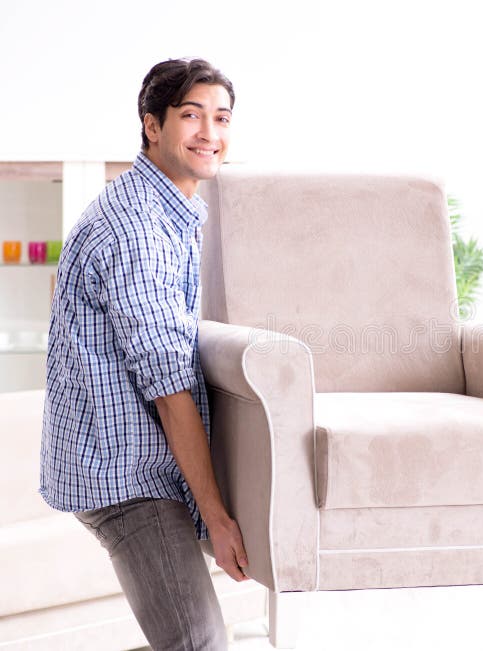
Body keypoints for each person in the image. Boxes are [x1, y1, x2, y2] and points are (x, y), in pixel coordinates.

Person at [40, 58, 247, 650]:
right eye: (191, 115)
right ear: (152, 126)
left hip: (145, 462)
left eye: (221, 117)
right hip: (128, 479)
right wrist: (215, 512)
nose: (210, 132)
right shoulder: (134, 228)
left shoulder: (174, 213)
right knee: (199, 643)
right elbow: (168, 383)